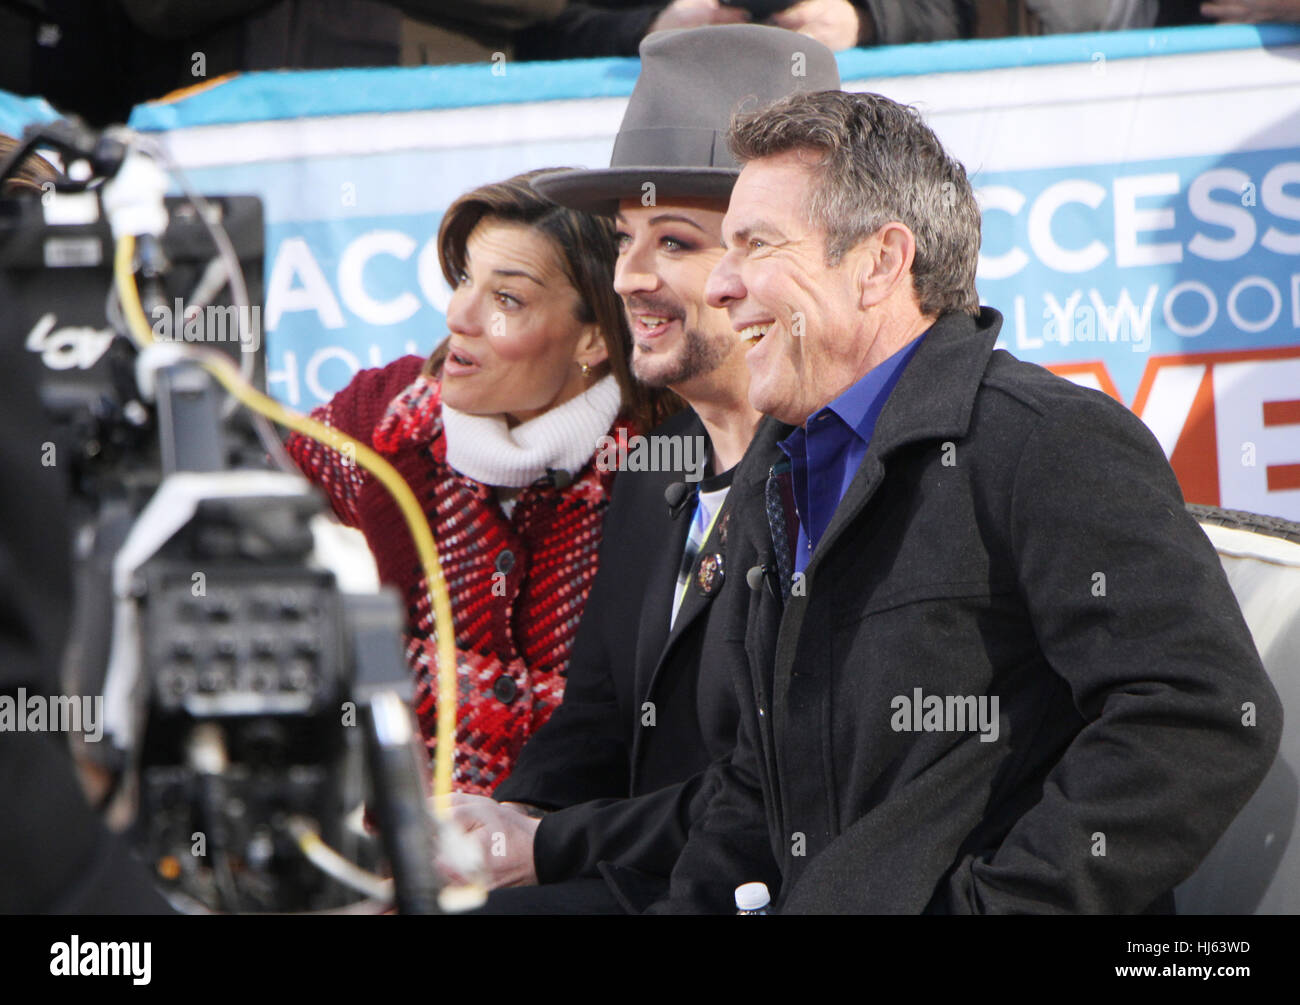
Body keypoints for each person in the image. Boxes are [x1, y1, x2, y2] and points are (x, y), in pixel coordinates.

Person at [652, 89, 1283, 913]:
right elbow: (755, 779)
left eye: (756, 245)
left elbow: (1199, 713)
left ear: (880, 262)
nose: (722, 283)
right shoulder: (778, 467)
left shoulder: (1047, 440)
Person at [443, 24, 839, 914]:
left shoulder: (839, 477)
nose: (627, 275)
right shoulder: (655, 466)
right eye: (624, 239)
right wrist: (498, 817)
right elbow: (597, 718)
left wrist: (541, 846)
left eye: (675, 243)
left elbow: (769, 795)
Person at [285, 170, 672, 795]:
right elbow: (242, 495)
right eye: (465, 278)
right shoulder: (388, 421)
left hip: (575, 871)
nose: (458, 315)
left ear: (596, 337)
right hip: (403, 870)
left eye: (506, 299)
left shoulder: (665, 470)